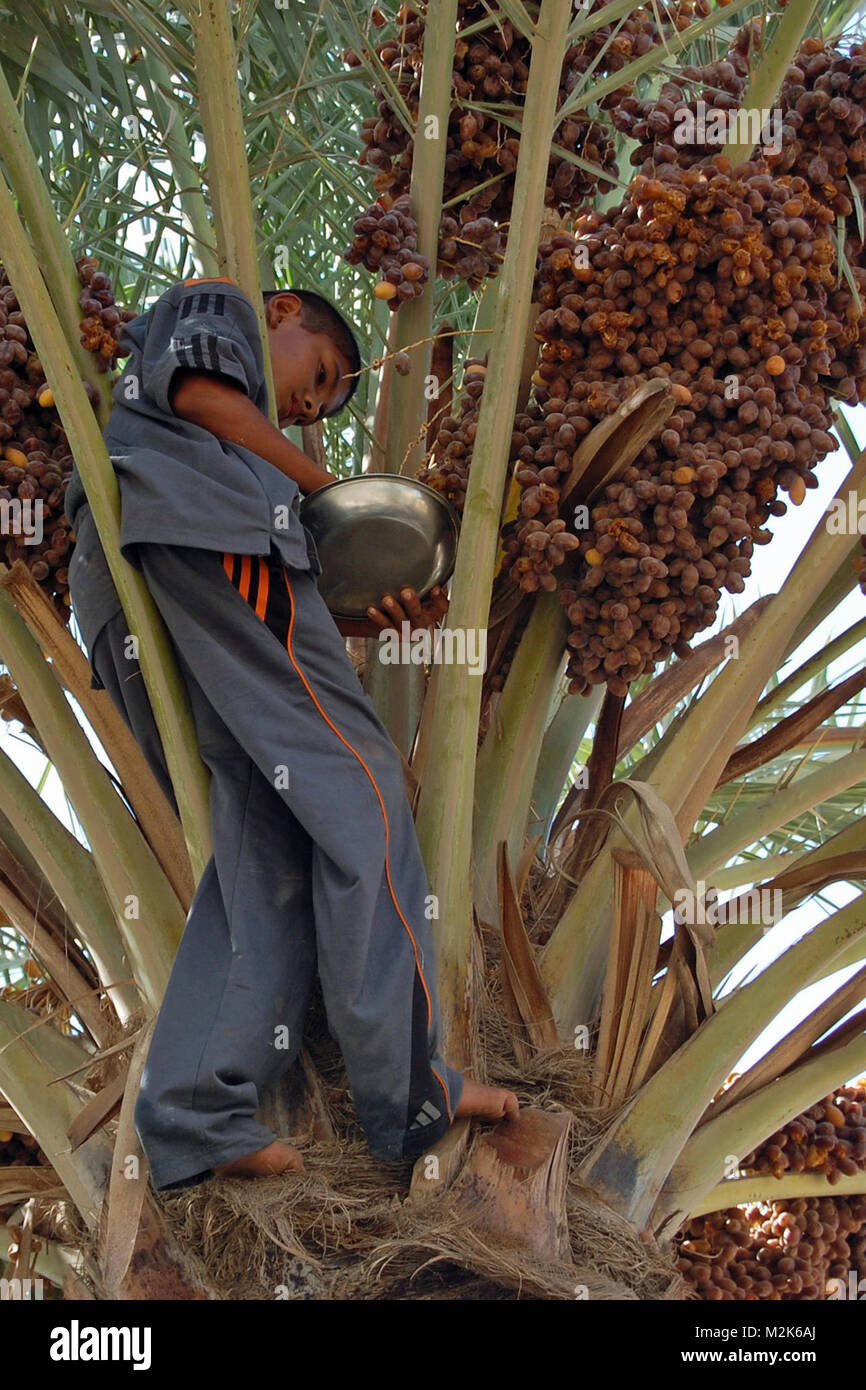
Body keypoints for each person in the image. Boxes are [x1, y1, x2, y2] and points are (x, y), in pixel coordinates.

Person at [65, 278, 518, 1189]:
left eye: (321, 407)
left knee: (264, 847)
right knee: (364, 791)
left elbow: (265, 616)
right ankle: (407, 1083)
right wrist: (345, 497)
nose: (310, 406)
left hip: (153, 590)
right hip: (207, 540)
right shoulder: (221, 306)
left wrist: (364, 613)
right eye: (319, 375)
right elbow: (199, 395)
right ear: (281, 313)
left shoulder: (240, 460)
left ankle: (196, 1113)